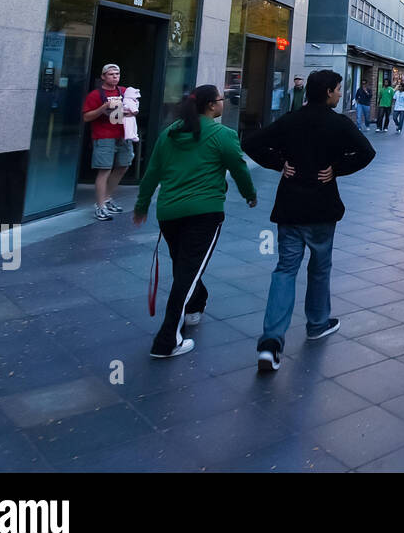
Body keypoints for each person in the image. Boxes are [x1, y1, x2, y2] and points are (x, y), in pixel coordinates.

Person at [244, 69, 376, 372]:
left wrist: (280, 163)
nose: (341, 94)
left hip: (290, 204)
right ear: (328, 91)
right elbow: (367, 152)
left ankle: (271, 341)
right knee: (320, 267)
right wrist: (336, 168)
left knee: (285, 269)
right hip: (321, 205)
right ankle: (317, 323)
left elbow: (252, 144)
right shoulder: (339, 123)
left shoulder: (291, 120)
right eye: (339, 89)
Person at [133, 85, 257, 359]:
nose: (224, 103)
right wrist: (250, 195)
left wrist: (141, 206)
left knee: (184, 265)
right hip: (204, 213)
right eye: (222, 100)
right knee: (187, 271)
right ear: (212, 106)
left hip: (169, 213)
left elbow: (152, 172)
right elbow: (239, 168)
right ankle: (167, 340)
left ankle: (195, 306)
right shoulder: (222, 135)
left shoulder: (170, 133)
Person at [82, 63, 134, 220]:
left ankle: (107, 198)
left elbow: (133, 108)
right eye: (111, 74)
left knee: (123, 166)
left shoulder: (124, 92)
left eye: (117, 74)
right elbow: (86, 117)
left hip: (123, 134)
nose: (115, 77)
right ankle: (100, 206)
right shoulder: (95, 95)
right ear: (103, 76)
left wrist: (131, 111)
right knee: (104, 169)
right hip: (103, 135)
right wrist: (103, 108)